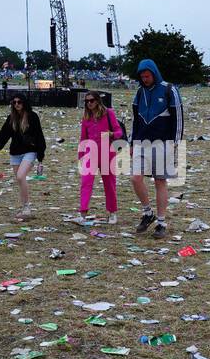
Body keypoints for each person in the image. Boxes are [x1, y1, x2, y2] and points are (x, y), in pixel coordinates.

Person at [129, 59, 183, 239]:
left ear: (154, 73)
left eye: (147, 76)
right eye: (142, 76)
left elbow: (178, 118)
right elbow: (135, 120)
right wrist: (132, 142)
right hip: (141, 142)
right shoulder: (139, 92)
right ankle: (147, 212)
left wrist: (175, 143)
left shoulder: (169, 90)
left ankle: (161, 222)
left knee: (160, 181)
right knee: (136, 178)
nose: (145, 79)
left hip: (163, 143)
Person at [0, 94, 46, 219]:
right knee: (20, 181)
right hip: (15, 153)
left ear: (24, 103)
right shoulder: (11, 118)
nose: (17, 104)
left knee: (20, 176)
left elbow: (40, 137)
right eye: (14, 102)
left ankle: (26, 208)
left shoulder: (32, 117)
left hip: (30, 151)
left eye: (19, 102)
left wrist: (40, 160)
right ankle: (25, 206)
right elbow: (3, 135)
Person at [77, 91, 123, 223]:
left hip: (107, 153)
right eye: (87, 101)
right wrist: (81, 155)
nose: (89, 103)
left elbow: (119, 132)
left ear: (98, 101)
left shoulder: (109, 113)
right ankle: (83, 213)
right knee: (86, 183)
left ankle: (112, 212)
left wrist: (111, 134)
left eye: (91, 100)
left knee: (109, 184)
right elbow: (83, 138)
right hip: (90, 153)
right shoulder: (86, 118)